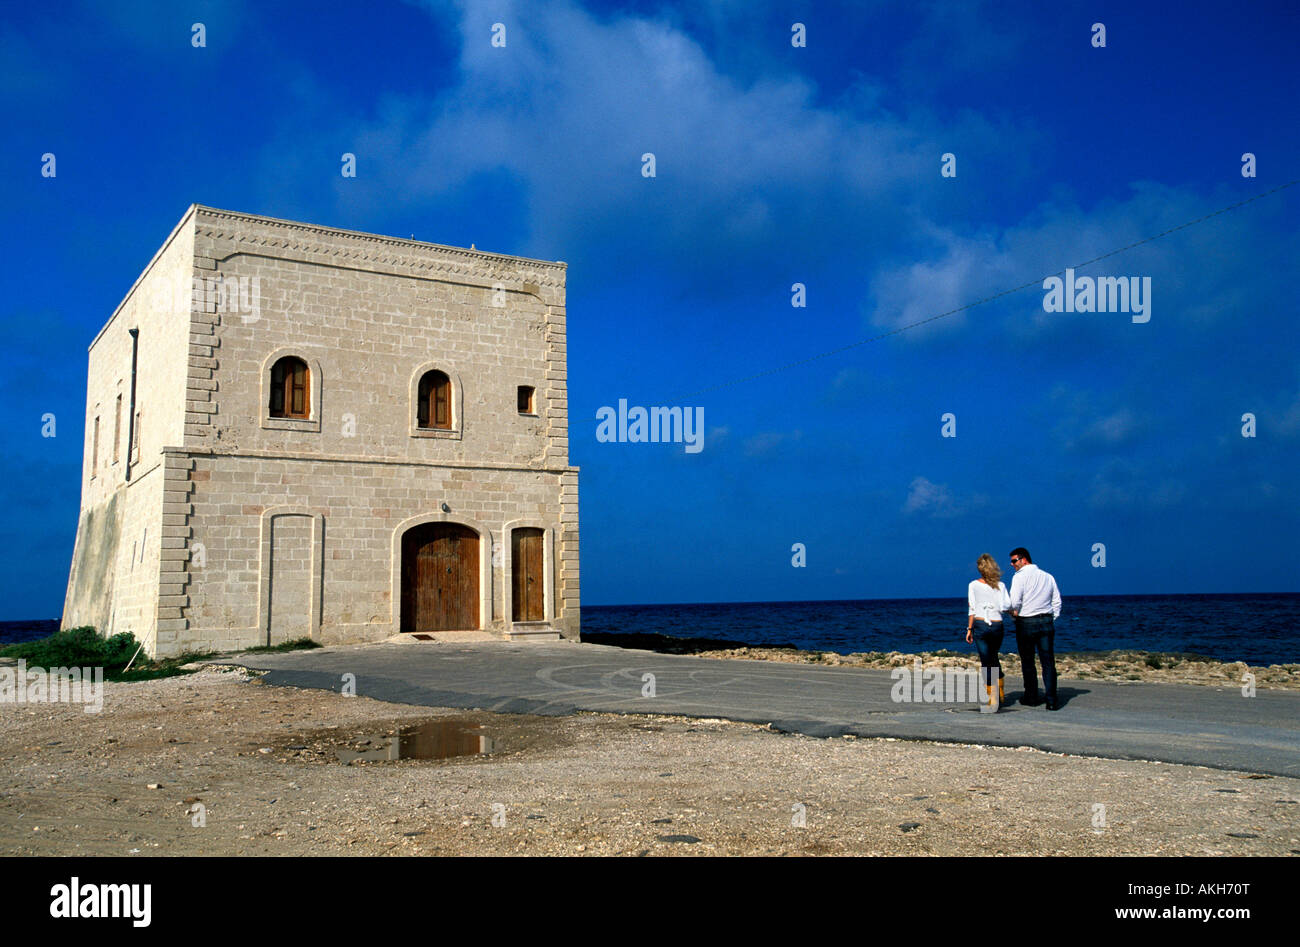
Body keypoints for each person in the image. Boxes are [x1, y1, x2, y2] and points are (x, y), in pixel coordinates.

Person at [1008, 547, 1062, 710]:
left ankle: (1031, 697)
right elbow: (1057, 601)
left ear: (1024, 560)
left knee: (1028, 661)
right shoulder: (1048, 576)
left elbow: (1014, 602)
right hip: (1046, 621)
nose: (1012, 565)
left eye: (1014, 561)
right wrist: (1051, 618)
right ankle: (1051, 700)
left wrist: (1013, 615)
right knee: (1048, 662)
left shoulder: (1019, 577)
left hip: (1026, 621)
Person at [966, 553, 1011, 710]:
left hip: (980, 624)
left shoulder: (973, 585)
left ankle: (993, 697)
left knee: (986, 661)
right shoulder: (1001, 586)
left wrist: (969, 628)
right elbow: (1006, 606)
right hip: (997, 625)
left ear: (980, 568)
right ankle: (999, 689)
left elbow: (972, 608)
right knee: (993, 657)